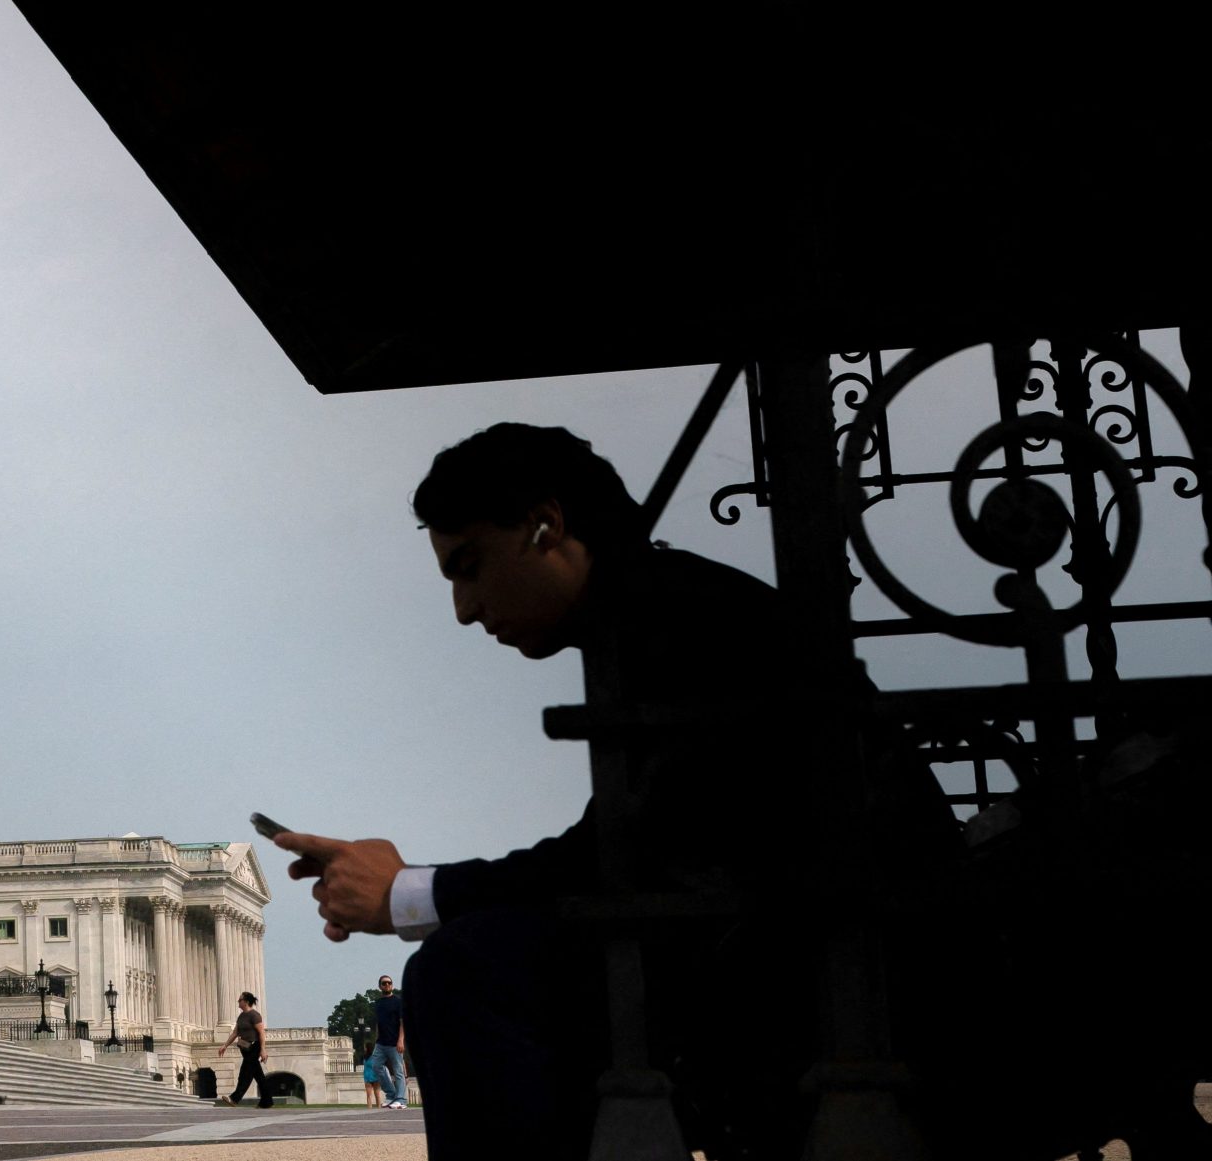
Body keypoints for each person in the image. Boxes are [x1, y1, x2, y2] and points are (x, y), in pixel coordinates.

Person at [271, 424, 960, 1159]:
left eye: (469, 567)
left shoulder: (681, 622)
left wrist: (412, 893)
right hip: (822, 946)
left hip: (853, 980)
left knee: (466, 971)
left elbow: (626, 854)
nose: (463, 608)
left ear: (547, 524)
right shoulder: (669, 608)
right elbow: (634, 843)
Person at [216, 991, 269, 1108]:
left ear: (246, 1002)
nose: (238, 1002)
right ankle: (267, 1101)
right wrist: (225, 1045)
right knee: (258, 1076)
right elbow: (235, 1033)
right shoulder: (241, 1016)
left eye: (240, 1000)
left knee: (245, 1074)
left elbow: (261, 1032)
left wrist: (263, 1050)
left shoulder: (255, 1015)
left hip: (254, 1047)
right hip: (245, 1049)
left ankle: (234, 1099)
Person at [367, 974, 406, 1109]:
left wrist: (401, 1040)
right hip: (381, 1043)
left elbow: (403, 1022)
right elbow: (379, 1023)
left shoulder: (398, 1002)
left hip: (394, 1043)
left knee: (398, 1071)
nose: (387, 985)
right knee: (376, 1066)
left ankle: (401, 1100)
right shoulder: (378, 1003)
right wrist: (376, 1039)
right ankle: (391, 1094)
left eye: (389, 983)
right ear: (380, 986)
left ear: (392, 985)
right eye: (384, 983)